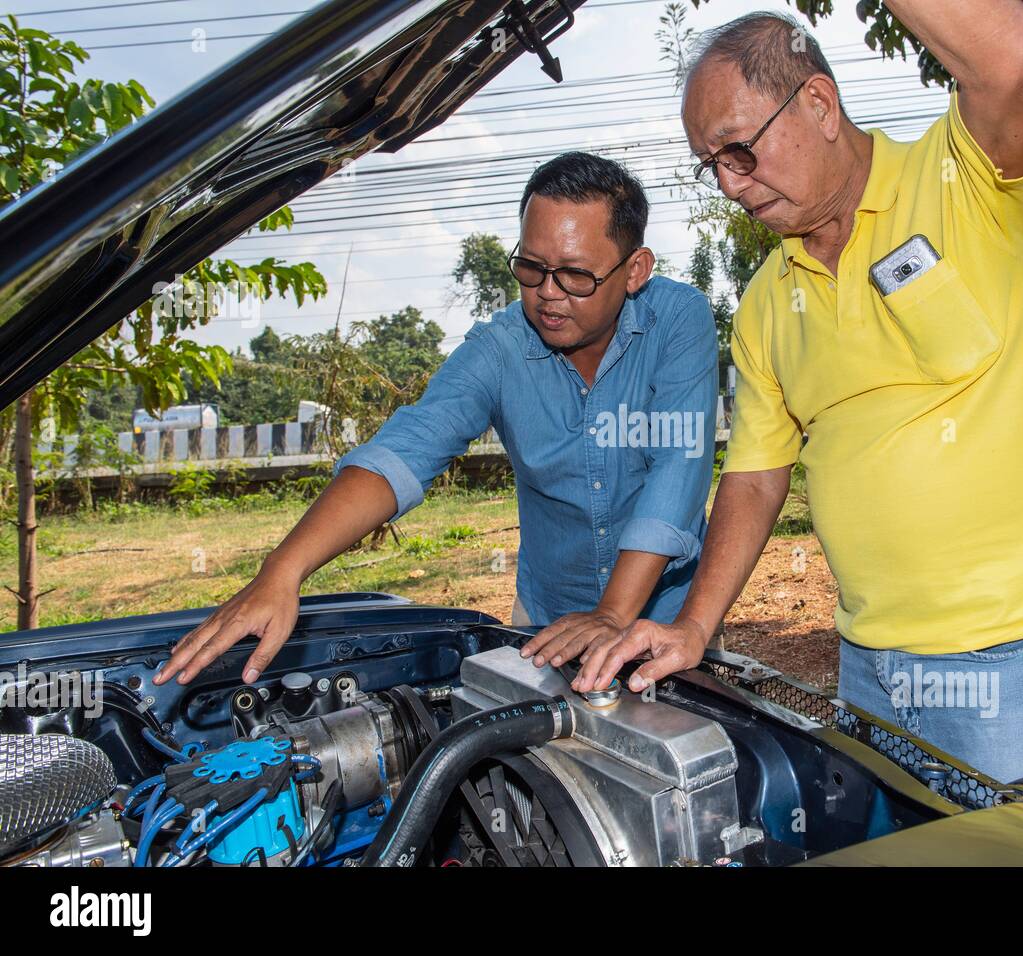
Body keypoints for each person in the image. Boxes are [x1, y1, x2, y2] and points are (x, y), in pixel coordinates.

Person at [570, 6, 1023, 819]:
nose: (731, 183)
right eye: (712, 166)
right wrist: (695, 625)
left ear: (819, 104)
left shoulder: (963, 178)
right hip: (873, 669)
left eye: (741, 149)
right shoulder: (769, 300)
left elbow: (1012, 57)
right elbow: (756, 478)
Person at [154, 151, 718, 688]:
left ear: (635, 269)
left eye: (575, 275)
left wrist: (616, 613)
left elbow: (678, 470)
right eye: (531, 267)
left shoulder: (679, 321)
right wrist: (284, 569)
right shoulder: (498, 348)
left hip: (662, 617)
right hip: (549, 621)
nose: (547, 294)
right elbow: (408, 447)